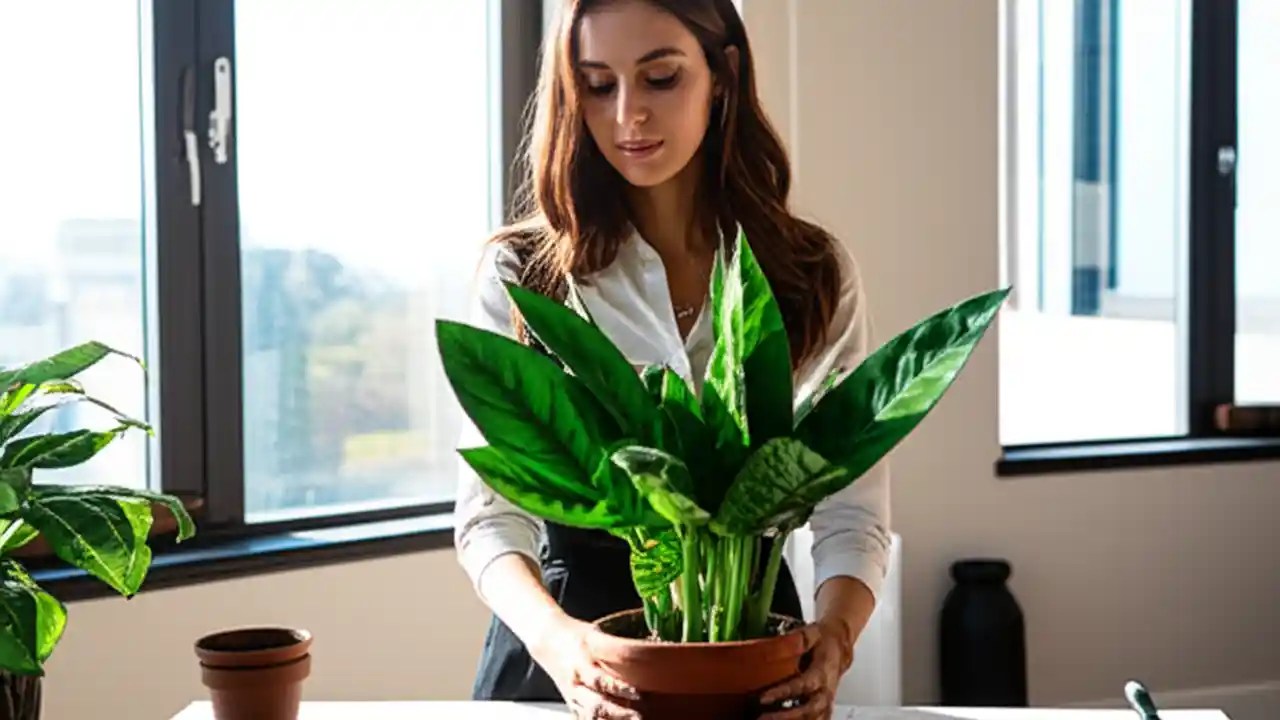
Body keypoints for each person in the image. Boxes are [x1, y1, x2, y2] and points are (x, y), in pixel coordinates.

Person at [452, 1, 891, 718]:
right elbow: (488, 516)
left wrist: (834, 641)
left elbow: (852, 512)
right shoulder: (527, 277)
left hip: (748, 647)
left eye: (660, 78)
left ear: (723, 75)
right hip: (566, 657)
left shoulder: (807, 273)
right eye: (597, 85)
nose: (628, 115)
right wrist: (559, 645)